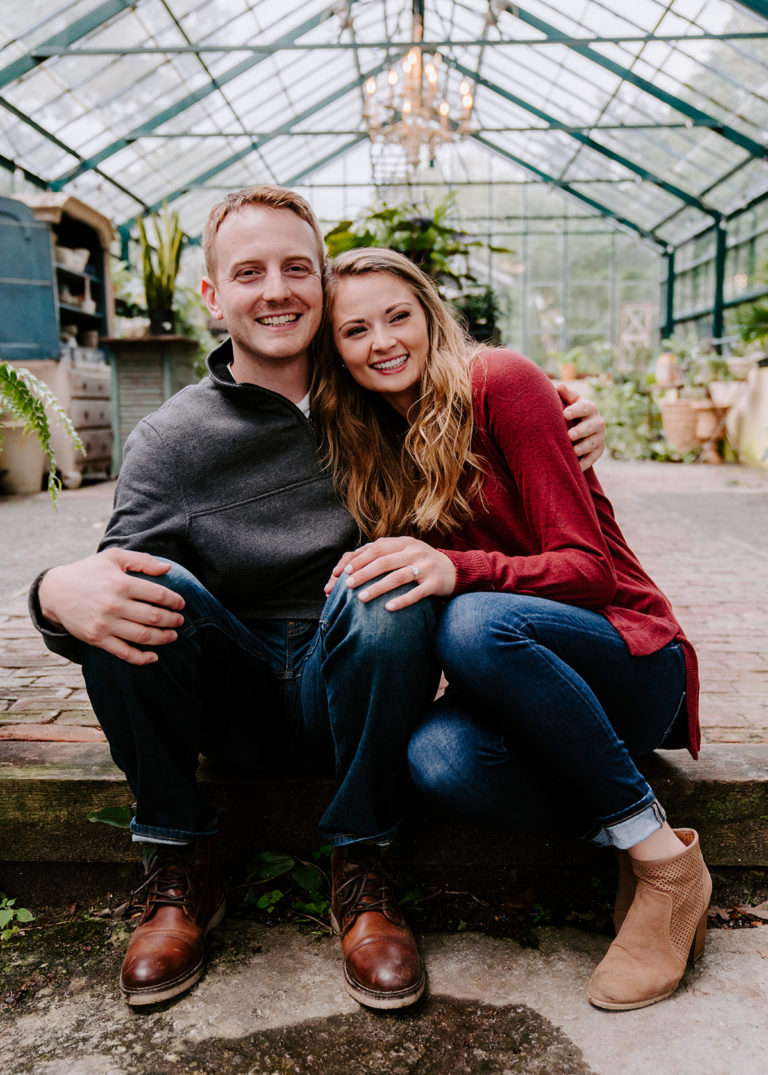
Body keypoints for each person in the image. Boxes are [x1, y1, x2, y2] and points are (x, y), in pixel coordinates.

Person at [28, 186, 605, 1011]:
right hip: (233, 697)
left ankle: (363, 865)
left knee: (386, 578)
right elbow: (103, 599)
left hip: (360, 682)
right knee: (133, 583)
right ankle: (179, 862)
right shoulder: (171, 438)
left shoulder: (381, 396)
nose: (276, 290)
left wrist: (572, 414)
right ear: (212, 295)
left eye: (298, 268)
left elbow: (479, 404)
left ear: (324, 282)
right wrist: (50, 592)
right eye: (250, 271)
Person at [315, 246, 711, 1012]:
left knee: (472, 619)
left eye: (399, 316)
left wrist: (458, 569)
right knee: (438, 757)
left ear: (431, 317)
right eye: (356, 329)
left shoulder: (499, 380)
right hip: (525, 687)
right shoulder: (372, 447)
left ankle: (667, 869)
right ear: (336, 350)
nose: (383, 341)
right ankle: (630, 826)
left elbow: (590, 569)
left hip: (629, 654)